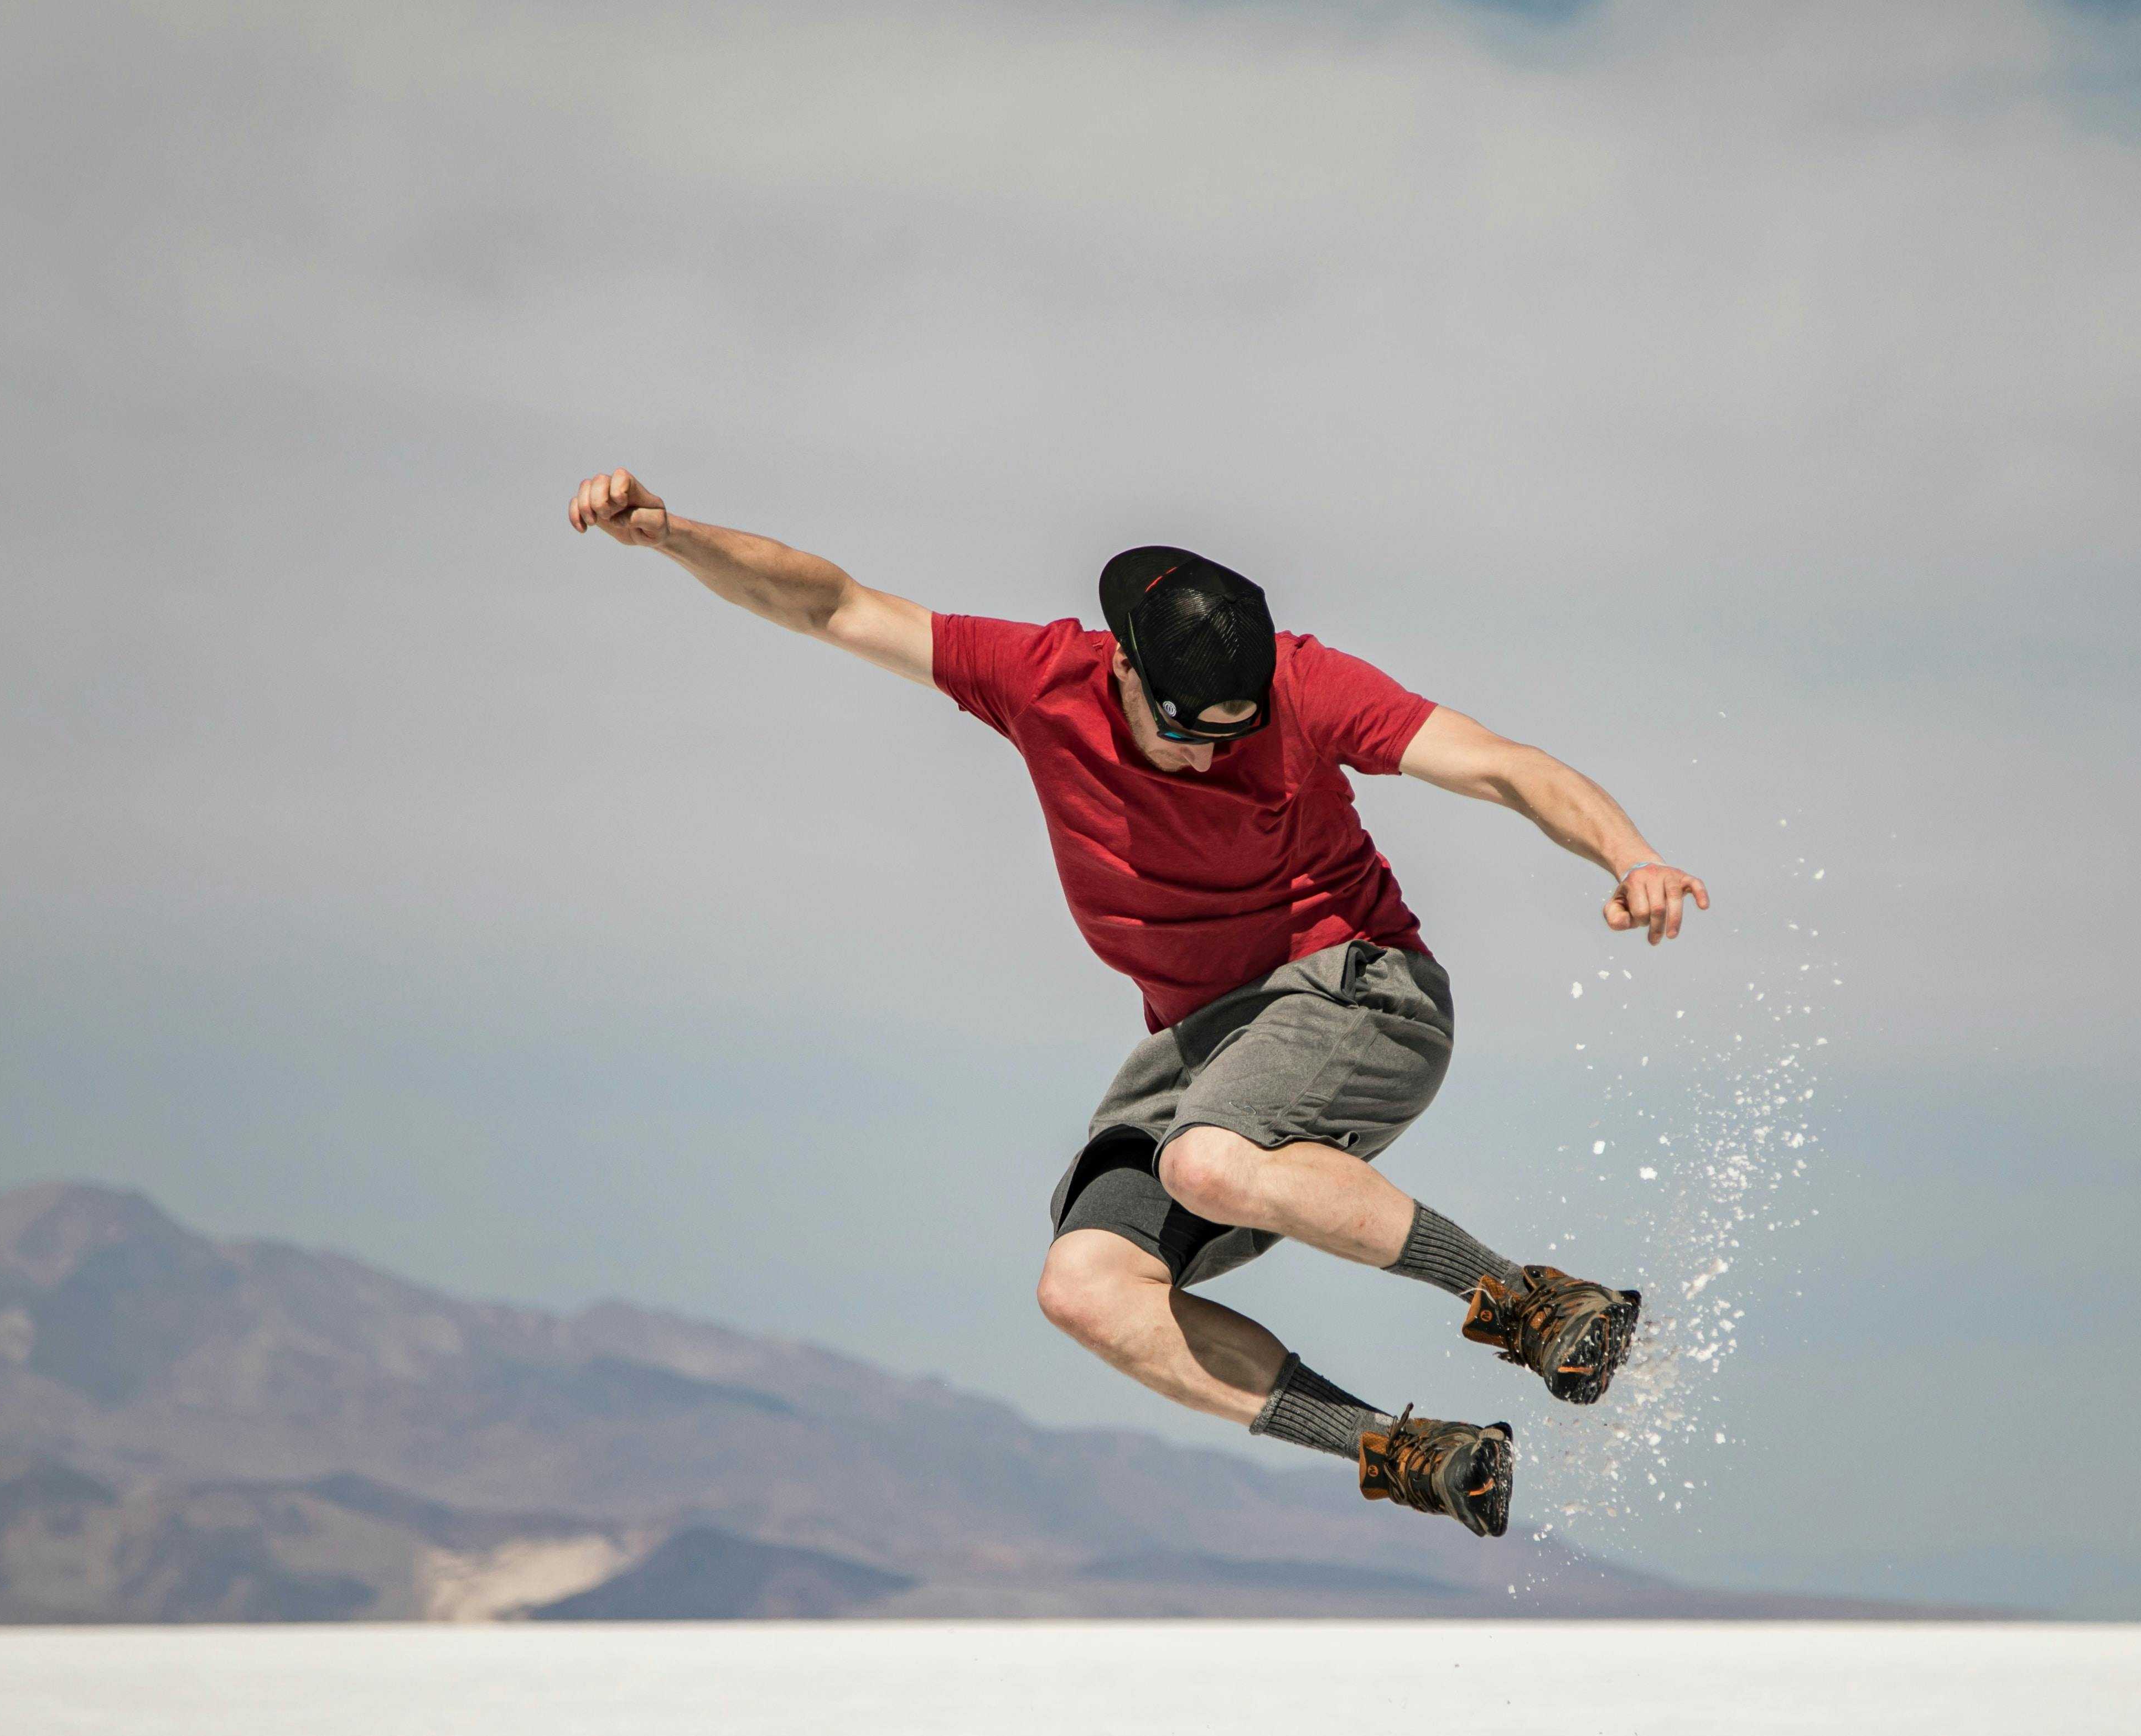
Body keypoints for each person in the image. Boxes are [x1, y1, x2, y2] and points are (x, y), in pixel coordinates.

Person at [565, 470, 1708, 1537]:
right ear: (1124, 672)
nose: (1213, 765)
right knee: (1087, 1286)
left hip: (1362, 988)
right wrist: (674, 537)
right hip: (1206, 1046)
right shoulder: (1035, 676)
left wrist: (1629, 852)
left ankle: (1537, 1304)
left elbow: (1505, 763)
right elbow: (832, 604)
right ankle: (1410, 1450)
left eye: (1235, 737)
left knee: (1207, 1160)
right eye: (1186, 738)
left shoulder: (1306, 688)